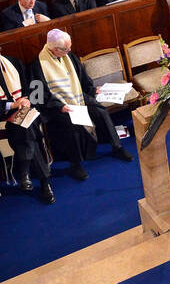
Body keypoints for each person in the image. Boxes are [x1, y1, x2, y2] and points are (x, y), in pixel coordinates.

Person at [33, 28, 134, 180]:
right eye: (66, 49)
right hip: (56, 106)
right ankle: (75, 164)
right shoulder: (37, 65)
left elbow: (82, 78)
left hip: (78, 96)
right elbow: (38, 96)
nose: (69, 51)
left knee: (100, 111)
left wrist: (92, 90)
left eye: (69, 47)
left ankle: (117, 146)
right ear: (54, 49)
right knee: (71, 125)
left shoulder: (69, 56)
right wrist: (60, 106)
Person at [0, 36, 55, 203]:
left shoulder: (14, 62)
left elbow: (34, 84)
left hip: (27, 109)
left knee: (24, 126)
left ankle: (25, 171)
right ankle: (43, 182)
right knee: (26, 130)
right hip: (0, 117)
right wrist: (12, 106)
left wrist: (29, 100)